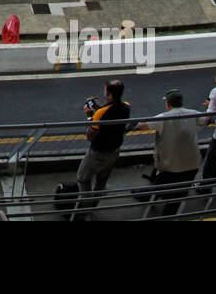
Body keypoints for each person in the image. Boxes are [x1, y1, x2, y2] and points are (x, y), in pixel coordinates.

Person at [131, 89, 202, 215]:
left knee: (162, 185)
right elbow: (205, 119)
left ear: (168, 104)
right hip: (193, 164)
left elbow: (141, 125)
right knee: (180, 191)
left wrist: (131, 124)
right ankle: (171, 210)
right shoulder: (193, 113)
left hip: (171, 167)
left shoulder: (164, 118)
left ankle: (151, 197)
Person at [73, 79, 130, 218]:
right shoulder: (127, 107)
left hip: (98, 153)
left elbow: (90, 135)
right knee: (101, 180)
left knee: (83, 179)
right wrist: (98, 107)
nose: (103, 91)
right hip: (114, 151)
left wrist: (89, 117)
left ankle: (86, 210)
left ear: (109, 94)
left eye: (105, 90)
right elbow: (108, 114)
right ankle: (93, 205)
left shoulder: (100, 114)